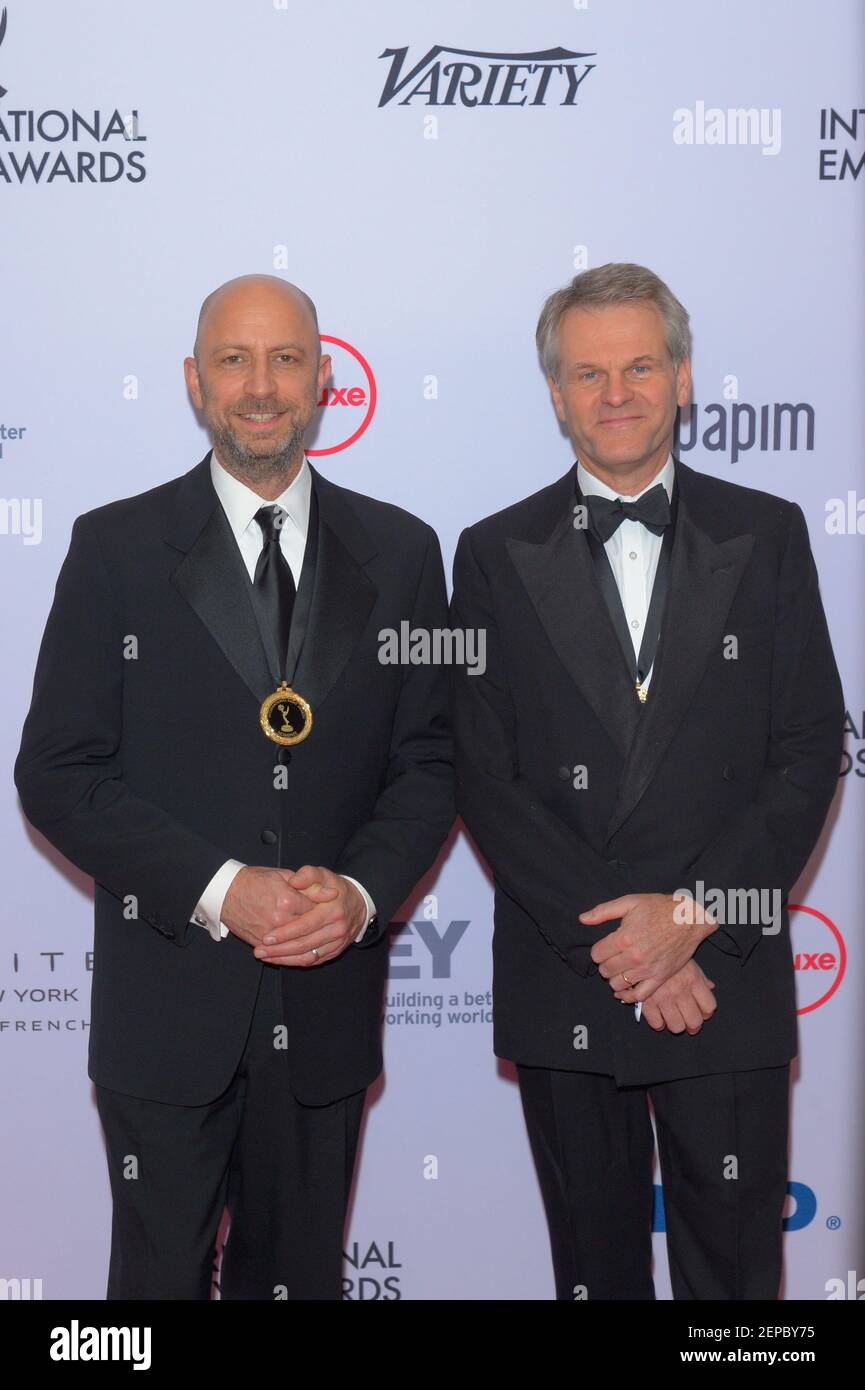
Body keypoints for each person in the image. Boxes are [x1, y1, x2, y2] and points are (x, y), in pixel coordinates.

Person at [14, 274, 454, 1301]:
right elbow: (57, 771)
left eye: (285, 359)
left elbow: (429, 761)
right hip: (167, 1010)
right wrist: (222, 887)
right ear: (193, 381)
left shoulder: (401, 552)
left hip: (326, 1005)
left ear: (323, 380)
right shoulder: (114, 548)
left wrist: (352, 895)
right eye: (234, 359)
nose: (260, 386)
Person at [450, 262, 844, 1300]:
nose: (614, 394)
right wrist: (629, 947)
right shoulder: (489, 554)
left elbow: (807, 746)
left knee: (736, 1282)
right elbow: (486, 775)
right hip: (570, 974)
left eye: (637, 367)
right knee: (593, 1274)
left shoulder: (766, 534)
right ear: (555, 393)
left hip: (725, 977)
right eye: (588, 373)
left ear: (680, 378)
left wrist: (690, 918)